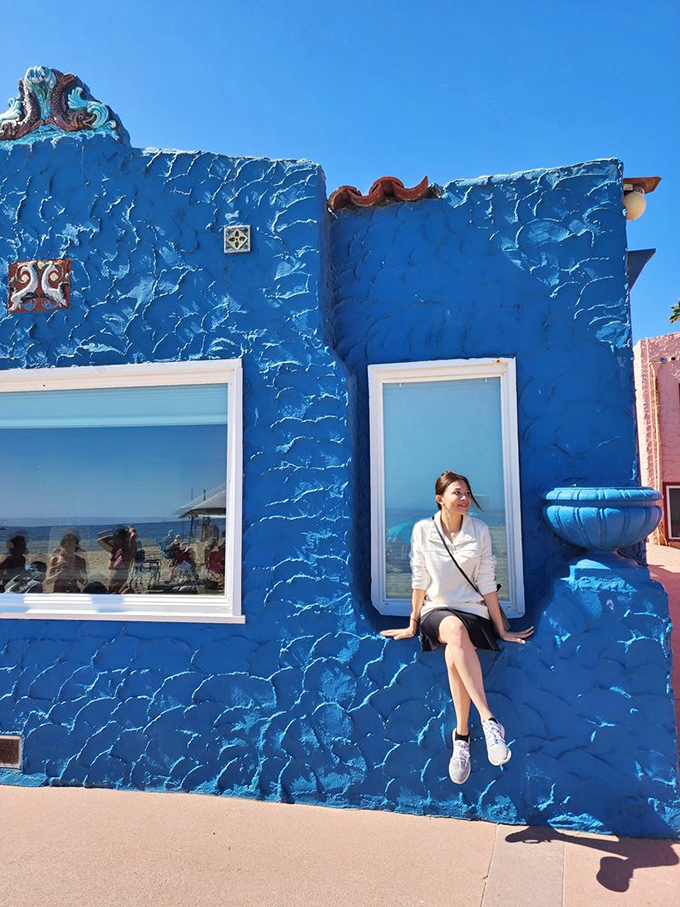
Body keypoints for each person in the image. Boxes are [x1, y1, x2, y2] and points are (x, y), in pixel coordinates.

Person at [381, 470, 533, 785]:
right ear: (440, 499)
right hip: (436, 610)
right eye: (457, 493)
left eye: (466, 493)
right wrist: (412, 623)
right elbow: (419, 578)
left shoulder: (480, 530)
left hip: (472, 610)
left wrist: (501, 629)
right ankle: (489, 721)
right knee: (454, 631)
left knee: (455, 650)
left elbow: (487, 581)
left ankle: (461, 737)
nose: (464, 498)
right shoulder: (423, 530)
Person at [97, 526, 137, 593]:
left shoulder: (127, 554)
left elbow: (133, 536)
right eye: (115, 539)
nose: (115, 541)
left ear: (124, 540)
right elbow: (100, 540)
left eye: (118, 540)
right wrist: (113, 535)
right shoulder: (114, 551)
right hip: (111, 588)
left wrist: (131, 530)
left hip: (120, 589)